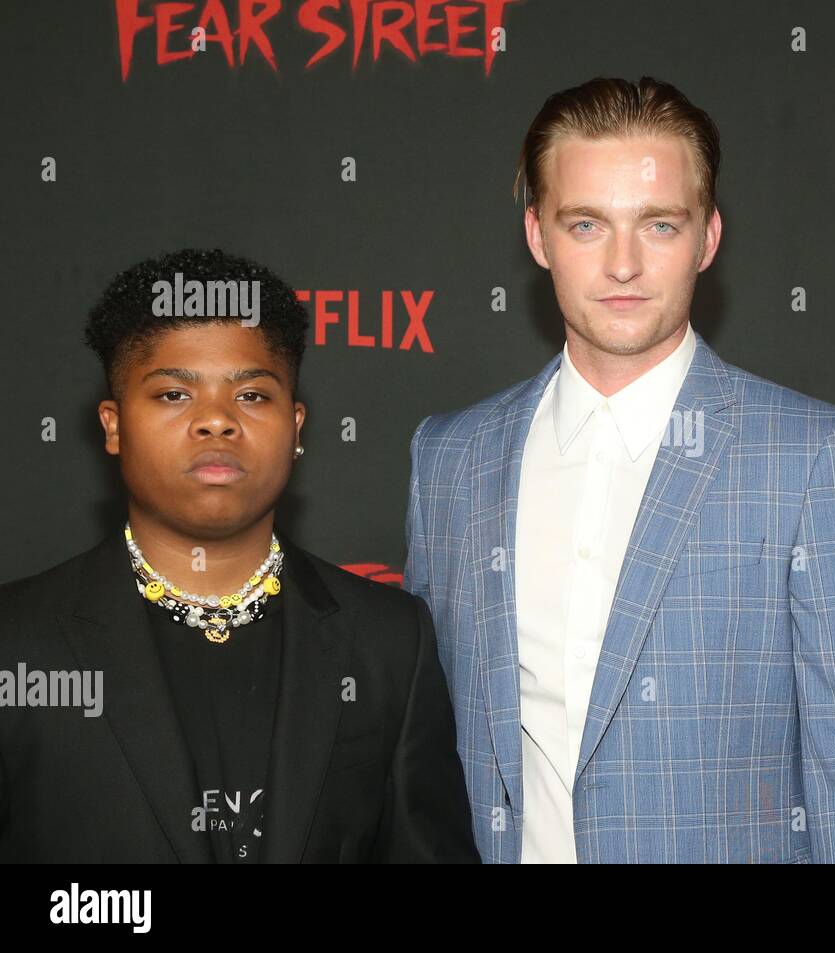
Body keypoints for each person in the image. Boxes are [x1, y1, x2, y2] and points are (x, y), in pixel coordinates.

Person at [403, 76, 835, 863]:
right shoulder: (450, 459)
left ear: (708, 238)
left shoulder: (812, 459)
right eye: (586, 224)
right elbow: (424, 763)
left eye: (658, 224)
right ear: (537, 236)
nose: (622, 263)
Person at [0, 248, 478, 863]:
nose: (217, 422)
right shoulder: (17, 640)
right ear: (114, 426)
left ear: (296, 426)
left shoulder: (388, 640)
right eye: (174, 394)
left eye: (252, 396)